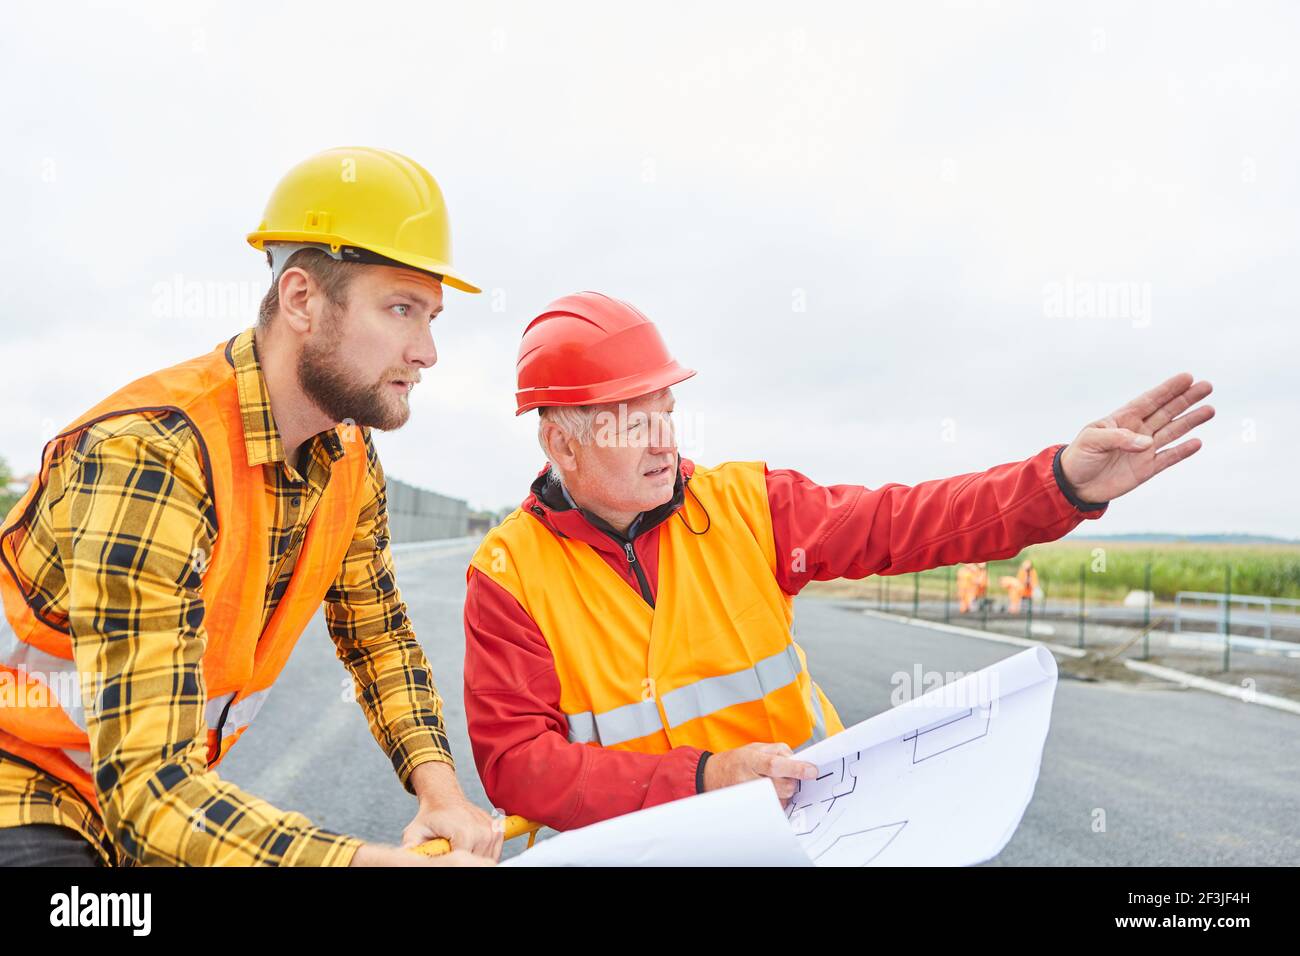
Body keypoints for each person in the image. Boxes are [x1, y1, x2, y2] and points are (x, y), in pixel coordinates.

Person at [463, 291, 1214, 831]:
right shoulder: (508, 574)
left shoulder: (746, 505)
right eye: (633, 423)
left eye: (665, 413)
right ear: (561, 445)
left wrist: (1060, 484)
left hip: (803, 836)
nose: (665, 441)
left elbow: (905, 521)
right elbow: (521, 767)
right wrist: (705, 780)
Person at [0, 147, 498, 866]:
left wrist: (443, 794)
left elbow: (379, 638)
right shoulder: (153, 453)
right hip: (26, 784)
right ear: (300, 300)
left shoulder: (348, 459)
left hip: (151, 805)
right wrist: (363, 862)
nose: (427, 351)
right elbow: (151, 790)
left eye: (432, 318)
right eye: (400, 310)